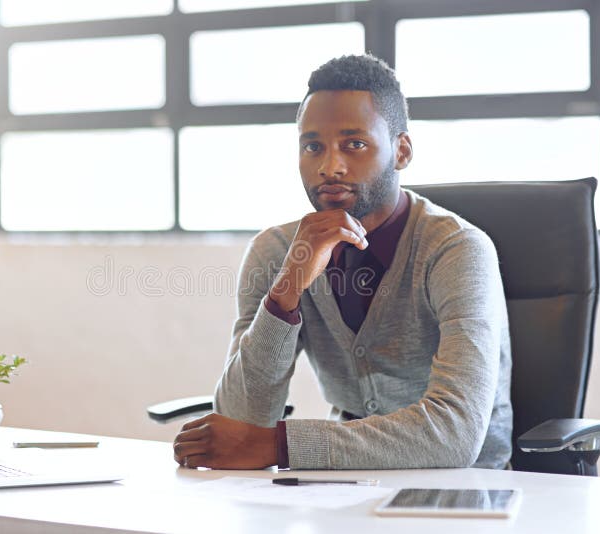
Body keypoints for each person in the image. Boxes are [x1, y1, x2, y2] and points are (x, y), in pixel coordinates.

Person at [173, 54, 512, 470]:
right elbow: (241, 423)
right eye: (313, 146)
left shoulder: (457, 250)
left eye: (354, 144)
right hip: (343, 486)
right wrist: (288, 286)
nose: (330, 167)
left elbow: (455, 435)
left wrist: (281, 446)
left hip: (467, 491)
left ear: (401, 151)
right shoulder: (274, 250)